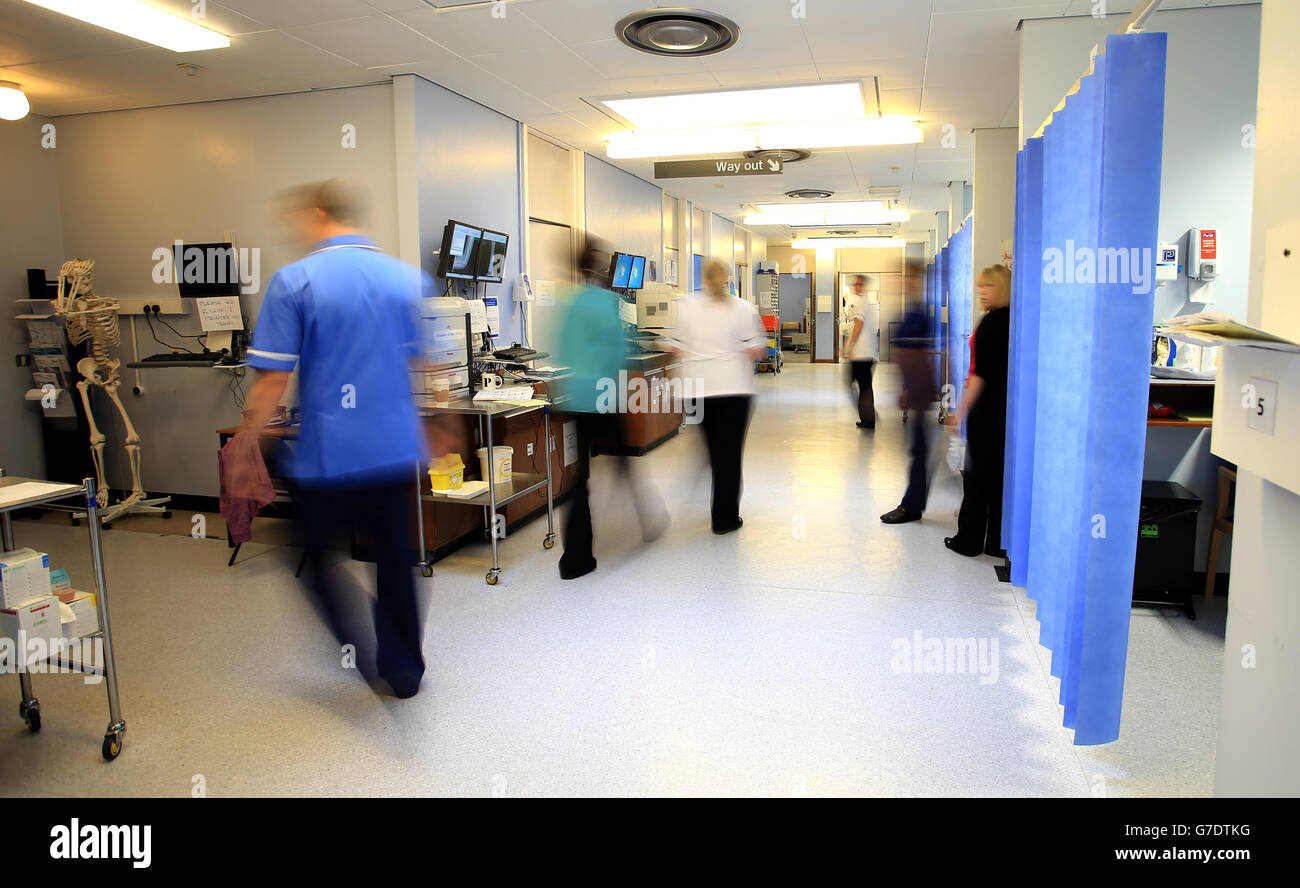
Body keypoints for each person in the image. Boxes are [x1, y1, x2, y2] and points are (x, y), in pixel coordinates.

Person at [238, 179, 442, 699]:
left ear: (316, 214)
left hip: (331, 457)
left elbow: (271, 379)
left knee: (313, 557)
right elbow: (428, 367)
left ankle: (359, 648)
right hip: (395, 448)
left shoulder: (295, 281)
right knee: (395, 558)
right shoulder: (406, 279)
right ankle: (402, 672)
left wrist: (245, 441)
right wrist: (445, 429)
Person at [552, 239, 666, 580]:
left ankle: (576, 558)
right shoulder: (608, 302)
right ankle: (648, 520)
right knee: (624, 464)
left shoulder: (570, 303)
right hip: (605, 395)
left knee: (576, 479)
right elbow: (617, 351)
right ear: (603, 269)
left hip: (576, 397)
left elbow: (562, 350)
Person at [671, 259, 767, 534]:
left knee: (715, 451)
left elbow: (675, 347)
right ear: (728, 279)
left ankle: (713, 491)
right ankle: (724, 519)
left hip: (696, 392)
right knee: (730, 455)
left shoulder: (686, 305)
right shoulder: (742, 308)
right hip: (732, 391)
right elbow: (757, 351)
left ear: (704, 278)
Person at [943, 264, 1011, 557]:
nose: (982, 292)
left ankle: (968, 540)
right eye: (980, 286)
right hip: (1005, 410)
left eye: (989, 286)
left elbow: (979, 375)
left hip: (986, 412)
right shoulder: (1013, 319)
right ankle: (997, 541)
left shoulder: (991, 322)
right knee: (997, 477)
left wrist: (959, 412)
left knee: (976, 476)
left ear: (1003, 288)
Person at [881, 263, 936, 525]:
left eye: (911, 278)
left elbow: (918, 358)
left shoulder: (919, 316)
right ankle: (913, 502)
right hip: (914, 389)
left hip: (920, 390)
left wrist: (915, 391)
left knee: (920, 448)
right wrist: (904, 388)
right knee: (918, 448)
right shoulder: (910, 313)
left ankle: (912, 506)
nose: (905, 283)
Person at [844, 274, 880, 429]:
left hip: (861, 355)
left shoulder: (859, 302)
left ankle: (869, 416)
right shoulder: (867, 303)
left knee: (856, 385)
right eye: (855, 284)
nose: (856, 286)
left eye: (859, 284)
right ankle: (868, 416)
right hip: (867, 353)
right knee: (864, 387)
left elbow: (858, 323)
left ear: (863, 286)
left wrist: (850, 346)